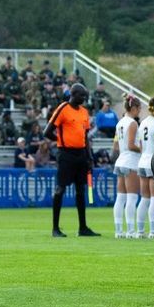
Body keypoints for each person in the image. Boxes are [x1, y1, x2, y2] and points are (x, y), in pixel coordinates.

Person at [44, 83, 100, 237]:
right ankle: (55, 228)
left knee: (80, 190)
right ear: (73, 94)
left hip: (81, 154)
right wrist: (61, 140)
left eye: (85, 96)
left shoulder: (84, 112)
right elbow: (47, 131)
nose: (84, 98)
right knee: (60, 189)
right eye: (81, 95)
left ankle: (83, 228)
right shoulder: (63, 108)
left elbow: (85, 137)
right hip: (66, 155)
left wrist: (89, 157)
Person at [113, 94, 143, 238]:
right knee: (131, 197)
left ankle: (119, 230)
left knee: (120, 198)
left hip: (120, 160)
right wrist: (143, 150)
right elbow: (131, 145)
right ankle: (131, 230)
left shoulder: (120, 123)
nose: (140, 111)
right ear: (133, 108)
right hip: (131, 161)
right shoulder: (132, 123)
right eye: (139, 108)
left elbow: (118, 145)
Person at [137, 97, 154, 238]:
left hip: (142, 161)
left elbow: (141, 145)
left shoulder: (142, 123)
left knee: (144, 198)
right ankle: (153, 232)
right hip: (152, 162)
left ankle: (139, 231)